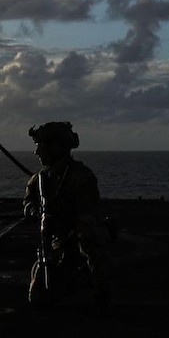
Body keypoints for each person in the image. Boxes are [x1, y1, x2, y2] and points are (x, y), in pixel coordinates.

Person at [22, 121, 110, 310]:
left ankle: (100, 294)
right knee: (38, 294)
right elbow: (28, 203)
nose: (37, 152)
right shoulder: (39, 180)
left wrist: (67, 222)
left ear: (55, 147)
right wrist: (35, 211)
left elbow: (90, 214)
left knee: (91, 243)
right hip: (55, 245)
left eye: (41, 146)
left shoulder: (81, 177)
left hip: (78, 242)